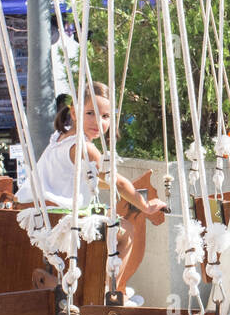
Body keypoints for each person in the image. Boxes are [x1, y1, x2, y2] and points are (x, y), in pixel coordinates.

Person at [17, 82, 167, 284]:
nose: (98, 122)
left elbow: (87, 178)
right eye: (90, 113)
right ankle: (105, 290)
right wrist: (146, 206)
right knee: (127, 231)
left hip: (36, 213)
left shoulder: (59, 137)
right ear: (74, 112)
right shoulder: (84, 147)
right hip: (57, 218)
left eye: (105, 117)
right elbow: (118, 182)